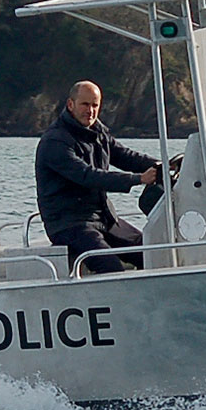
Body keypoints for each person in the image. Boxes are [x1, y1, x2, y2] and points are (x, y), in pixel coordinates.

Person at [35, 81, 160, 273]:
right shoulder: (55, 141)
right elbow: (88, 176)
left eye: (95, 105)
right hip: (70, 223)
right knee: (109, 266)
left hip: (103, 217)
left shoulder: (98, 131)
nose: (90, 111)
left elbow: (125, 156)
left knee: (153, 253)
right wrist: (138, 179)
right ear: (70, 105)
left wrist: (163, 164)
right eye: (85, 104)